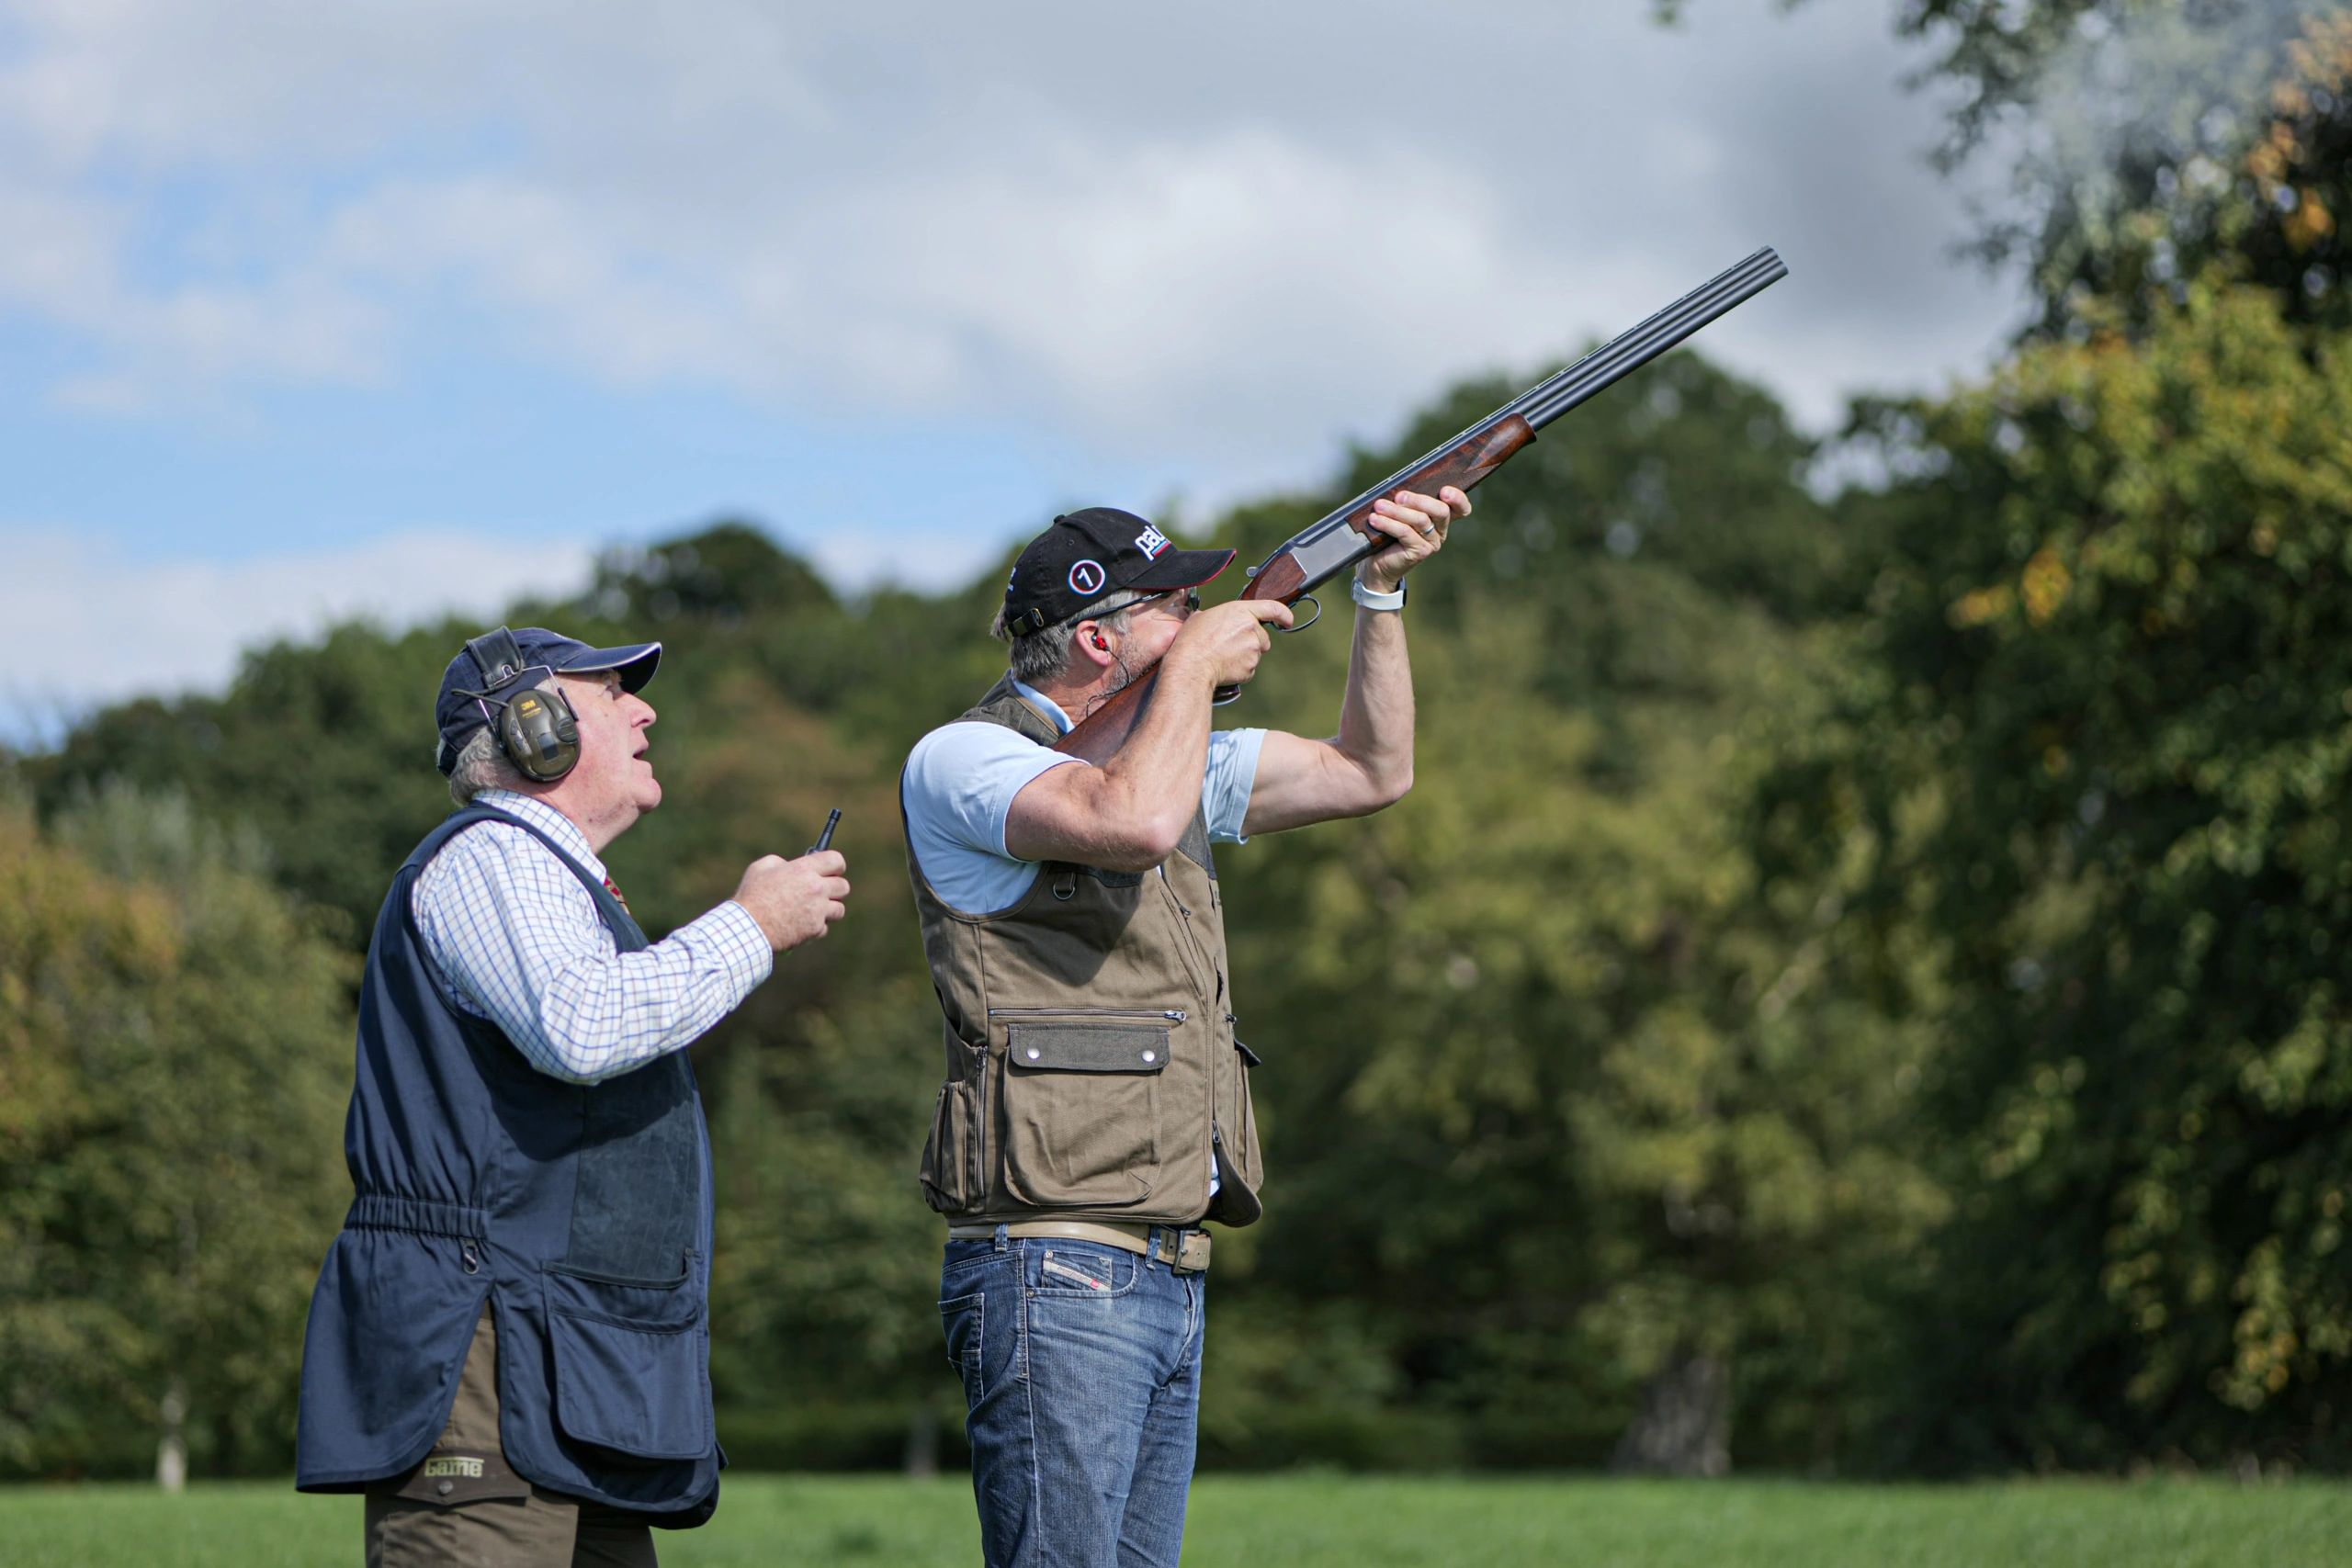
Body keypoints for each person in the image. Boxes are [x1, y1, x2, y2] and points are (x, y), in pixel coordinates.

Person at [899, 489, 1467, 1565]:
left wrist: (1378, 597)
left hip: (1165, 1258)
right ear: (1102, 636)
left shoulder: (1169, 753)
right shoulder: (964, 761)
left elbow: (1371, 772)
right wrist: (1200, 673)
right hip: (1056, 1260)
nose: (1209, 615)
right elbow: (1134, 820)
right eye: (1178, 605)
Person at [294, 625, 850, 1567]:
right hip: (478, 1357)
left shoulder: (547, 879)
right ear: (532, 729)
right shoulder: (491, 858)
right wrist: (751, 925)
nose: (646, 710)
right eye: (610, 695)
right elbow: (583, 1027)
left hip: (552, 1374)